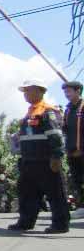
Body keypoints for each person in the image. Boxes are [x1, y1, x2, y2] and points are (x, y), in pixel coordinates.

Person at [8, 80, 70, 233]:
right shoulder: (30, 112)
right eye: (24, 91)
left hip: (45, 160)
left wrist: (56, 156)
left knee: (55, 193)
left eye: (28, 90)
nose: (25, 94)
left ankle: (60, 224)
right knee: (27, 193)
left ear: (40, 91)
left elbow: (56, 135)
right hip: (29, 161)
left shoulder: (47, 111)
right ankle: (25, 222)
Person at [61, 80, 84, 219]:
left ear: (78, 91)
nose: (66, 94)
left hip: (82, 150)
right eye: (65, 92)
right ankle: (81, 207)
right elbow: (64, 129)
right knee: (76, 180)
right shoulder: (68, 110)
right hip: (71, 152)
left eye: (69, 91)